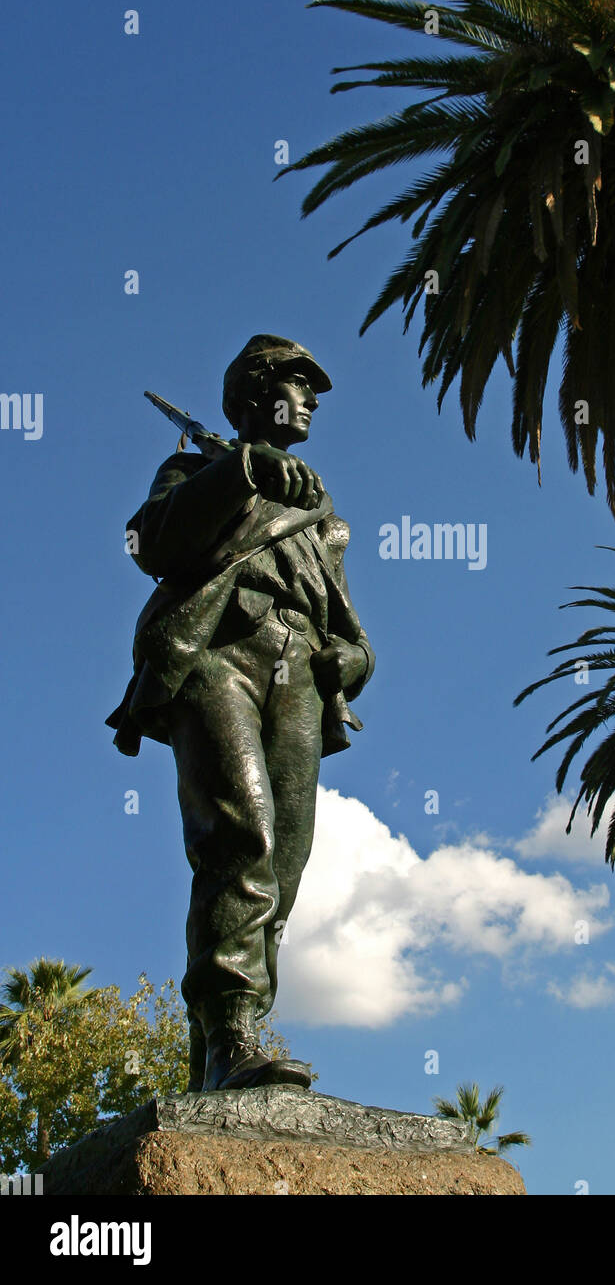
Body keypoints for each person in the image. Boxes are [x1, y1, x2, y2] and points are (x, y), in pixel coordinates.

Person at [107, 334, 374, 1092]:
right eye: (298, 385)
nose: (314, 400)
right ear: (256, 398)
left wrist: (356, 661)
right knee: (241, 838)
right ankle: (232, 1031)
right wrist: (240, 471)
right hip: (219, 656)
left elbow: (347, 625)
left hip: (300, 678)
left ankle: (225, 1047)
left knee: (285, 864)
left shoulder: (320, 513)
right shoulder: (198, 472)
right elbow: (151, 542)